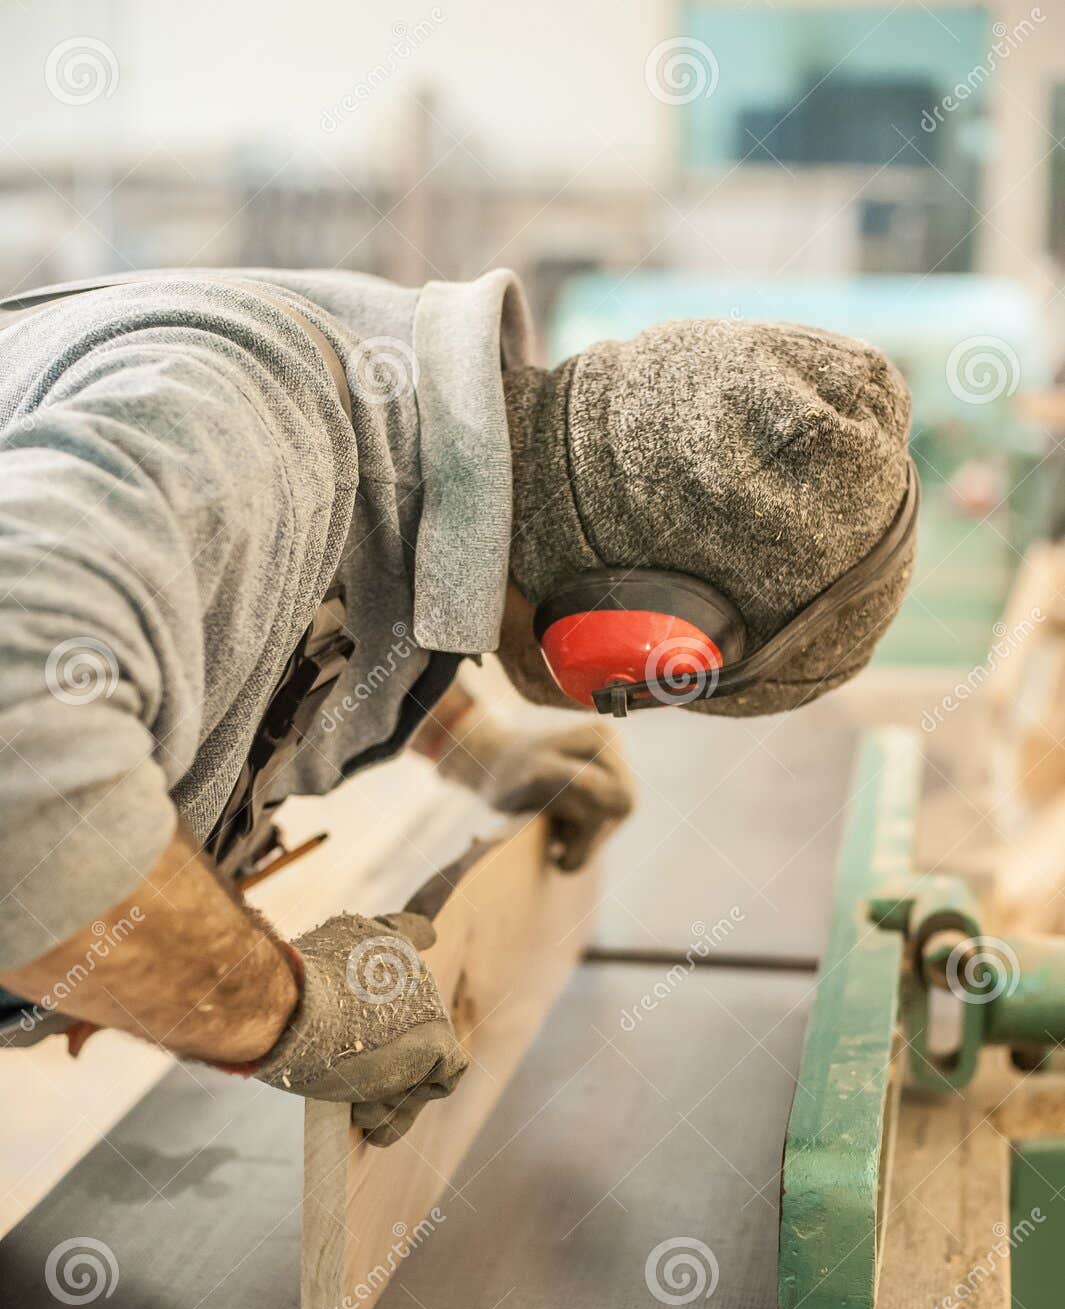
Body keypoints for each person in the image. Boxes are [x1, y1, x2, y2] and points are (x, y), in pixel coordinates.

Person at [0, 267, 916, 1143]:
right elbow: (21, 763)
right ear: (625, 637)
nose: (614, 708)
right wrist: (281, 1010)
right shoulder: (244, 427)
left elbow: (270, 607)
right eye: (657, 688)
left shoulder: (391, 412)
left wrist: (472, 743)